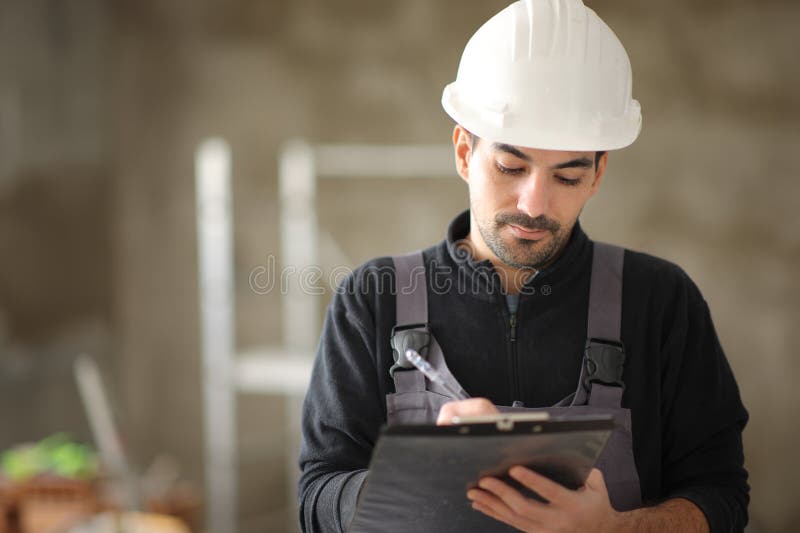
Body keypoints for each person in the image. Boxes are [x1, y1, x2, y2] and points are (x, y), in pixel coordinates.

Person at [298, 0, 749, 532]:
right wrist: (411, 478)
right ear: (465, 151)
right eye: (511, 166)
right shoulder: (372, 300)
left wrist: (615, 529)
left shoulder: (662, 302)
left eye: (567, 176)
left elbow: (722, 496)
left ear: (599, 172)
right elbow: (314, 499)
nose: (534, 204)